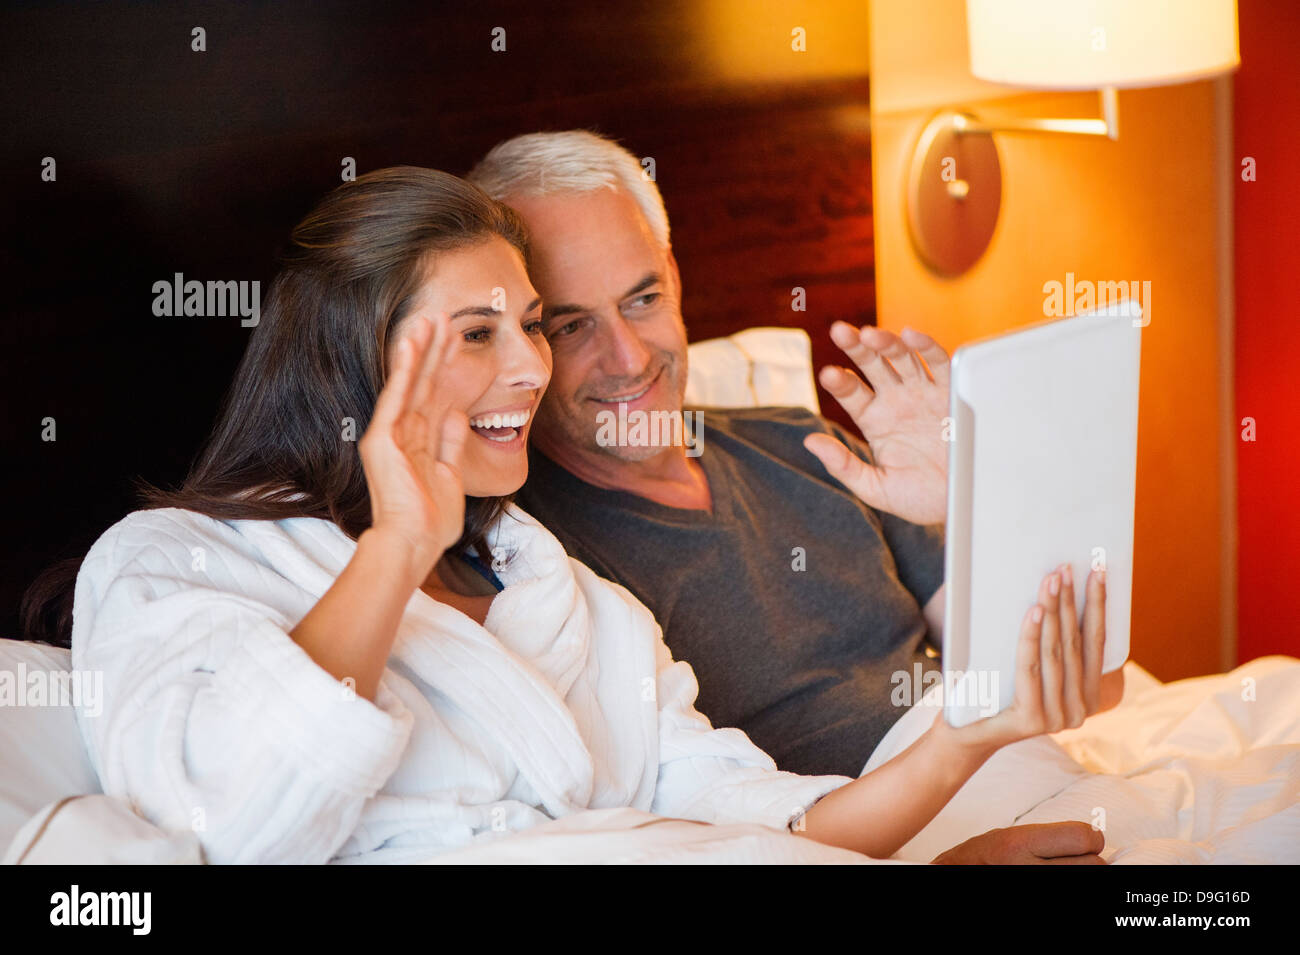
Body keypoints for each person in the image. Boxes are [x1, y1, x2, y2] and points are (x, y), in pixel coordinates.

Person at [26, 166, 1111, 865]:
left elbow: (765, 817)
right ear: (355, 365)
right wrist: (398, 546)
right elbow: (227, 820)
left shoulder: (561, 594)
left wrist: (968, 738)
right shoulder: (172, 563)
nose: (531, 371)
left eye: (529, 327)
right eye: (478, 335)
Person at [467, 131, 1124, 858]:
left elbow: (1093, 686)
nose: (626, 358)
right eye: (569, 324)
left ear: (675, 278)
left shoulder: (796, 440)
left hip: (1034, 781)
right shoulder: (541, 566)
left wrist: (976, 511)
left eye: (642, 298)